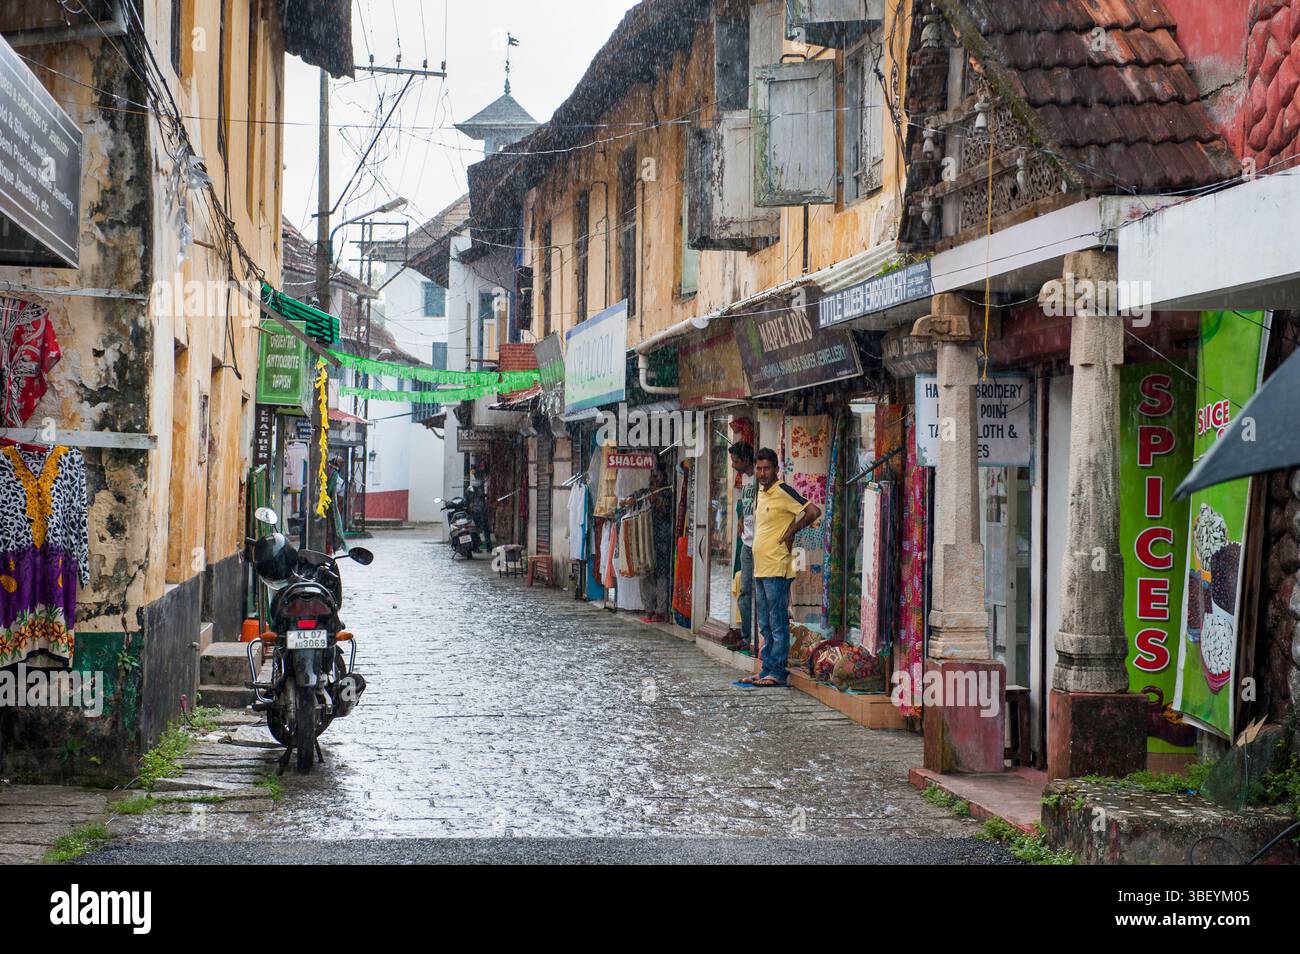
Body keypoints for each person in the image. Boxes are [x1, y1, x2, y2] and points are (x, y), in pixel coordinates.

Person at [738, 447, 821, 688]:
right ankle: (767, 669)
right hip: (760, 568)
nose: (762, 473)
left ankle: (778, 672)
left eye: (766, 468)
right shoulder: (762, 493)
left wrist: (791, 531)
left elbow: (813, 511)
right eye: (759, 468)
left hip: (777, 567)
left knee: (777, 621)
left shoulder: (783, 490)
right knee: (764, 623)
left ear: (776, 469)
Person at [724, 442, 756, 652]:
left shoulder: (758, 479)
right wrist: (742, 518)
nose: (734, 465)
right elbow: (746, 503)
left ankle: (755, 638)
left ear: (745, 459)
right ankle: (746, 636)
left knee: (759, 593)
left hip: (760, 543)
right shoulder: (745, 478)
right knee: (744, 591)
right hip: (747, 542)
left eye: (736, 461)